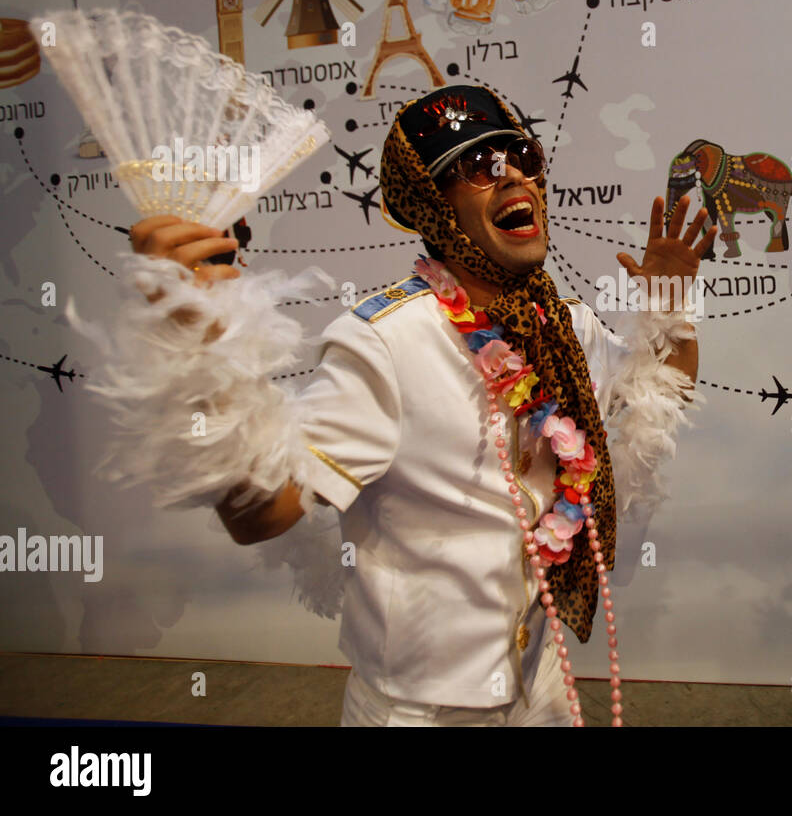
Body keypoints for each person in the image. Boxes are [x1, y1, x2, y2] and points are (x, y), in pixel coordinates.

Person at [109, 85, 716, 726]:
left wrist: (673, 309)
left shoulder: (566, 328)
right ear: (435, 206)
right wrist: (203, 356)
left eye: (522, 156)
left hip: (541, 686)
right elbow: (262, 515)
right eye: (478, 167)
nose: (512, 174)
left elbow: (661, 392)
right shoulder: (384, 342)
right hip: (421, 710)